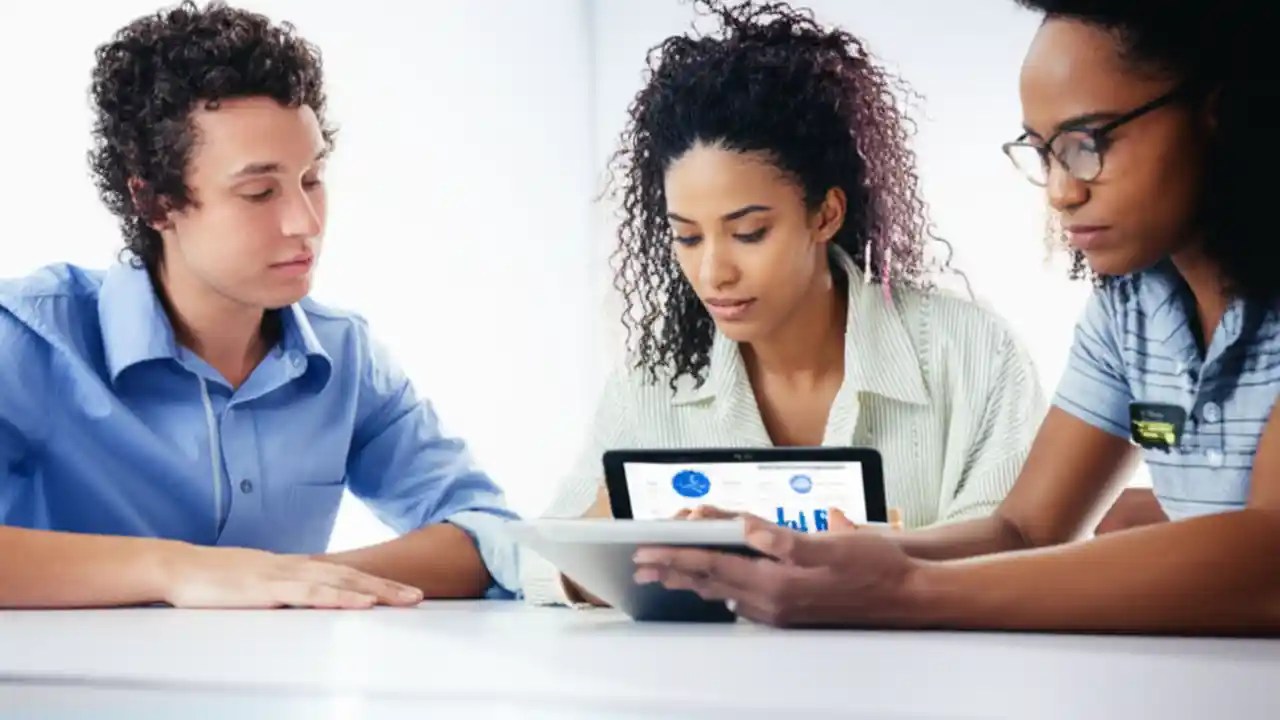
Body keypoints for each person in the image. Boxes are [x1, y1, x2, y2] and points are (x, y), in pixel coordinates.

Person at [632, 0, 1280, 634]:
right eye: (1044, 151)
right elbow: (1026, 528)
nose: (1062, 190)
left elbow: (1269, 556)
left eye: (1089, 144)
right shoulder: (1129, 309)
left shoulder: (971, 344)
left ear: (1217, 113)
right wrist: (848, 555)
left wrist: (907, 591)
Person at [520, 0, 1045, 606]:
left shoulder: (972, 354)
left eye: (749, 233)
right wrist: (604, 550)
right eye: (687, 237)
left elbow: (1018, 549)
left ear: (825, 214)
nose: (712, 270)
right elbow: (534, 562)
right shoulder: (654, 381)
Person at [0, 1, 518, 609]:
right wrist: (176, 571)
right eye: (258, 192)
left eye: (312, 179)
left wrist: (290, 578)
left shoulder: (345, 356)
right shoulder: (30, 339)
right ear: (155, 202)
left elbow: (489, 534)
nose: (305, 223)